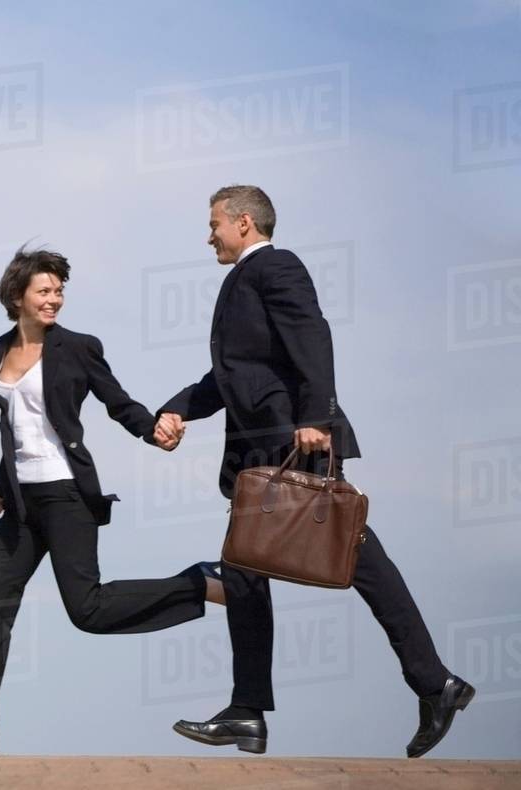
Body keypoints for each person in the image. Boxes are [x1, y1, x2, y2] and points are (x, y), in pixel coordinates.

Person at [155, 185, 473, 758]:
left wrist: (315, 417)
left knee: (353, 559)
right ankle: (250, 711)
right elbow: (232, 376)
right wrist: (178, 408)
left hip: (293, 440)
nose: (209, 236)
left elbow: (312, 334)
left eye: (214, 225)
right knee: (245, 566)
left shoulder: (276, 266)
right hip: (266, 446)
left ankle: (433, 683)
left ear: (243, 222)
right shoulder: (244, 278)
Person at [0, 246, 224, 756]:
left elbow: (118, 402)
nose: (54, 299)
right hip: (22, 503)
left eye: (59, 291)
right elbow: (18, 429)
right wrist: (0, 487)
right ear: (17, 296)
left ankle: (199, 583)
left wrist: (154, 431)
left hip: (67, 496)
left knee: (87, 610)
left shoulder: (78, 348)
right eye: (44, 291)